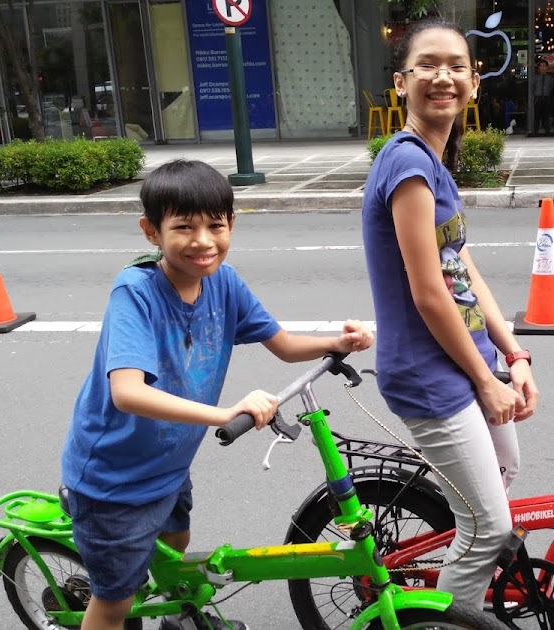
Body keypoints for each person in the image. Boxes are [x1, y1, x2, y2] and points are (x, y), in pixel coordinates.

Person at [61, 159, 374, 630]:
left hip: (168, 466)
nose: (203, 241)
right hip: (114, 482)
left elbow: (283, 344)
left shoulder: (223, 283)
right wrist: (224, 412)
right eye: (183, 227)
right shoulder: (136, 293)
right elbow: (126, 393)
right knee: (115, 604)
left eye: (215, 225)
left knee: (176, 545)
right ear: (151, 232)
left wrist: (336, 342)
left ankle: (172, 611)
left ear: (232, 224)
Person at [360, 17, 540, 611]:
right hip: (427, 374)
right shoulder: (408, 164)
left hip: (464, 362)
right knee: (488, 527)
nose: (443, 76)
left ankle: (455, 556)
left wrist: (512, 355)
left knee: (502, 474)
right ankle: (448, 621)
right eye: (428, 65)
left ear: (475, 82)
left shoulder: (435, 161)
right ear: (400, 82)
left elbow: (461, 266)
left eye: (457, 66)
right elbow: (430, 293)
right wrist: (486, 382)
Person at [532, 59, 554, 134]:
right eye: (541, 66)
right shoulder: (535, 77)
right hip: (537, 98)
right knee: (537, 116)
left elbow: (551, 87)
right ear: (538, 68)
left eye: (544, 66)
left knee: (546, 116)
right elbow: (533, 87)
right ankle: (535, 131)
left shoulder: (550, 78)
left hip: (546, 97)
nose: (542, 68)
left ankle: (547, 131)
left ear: (547, 67)